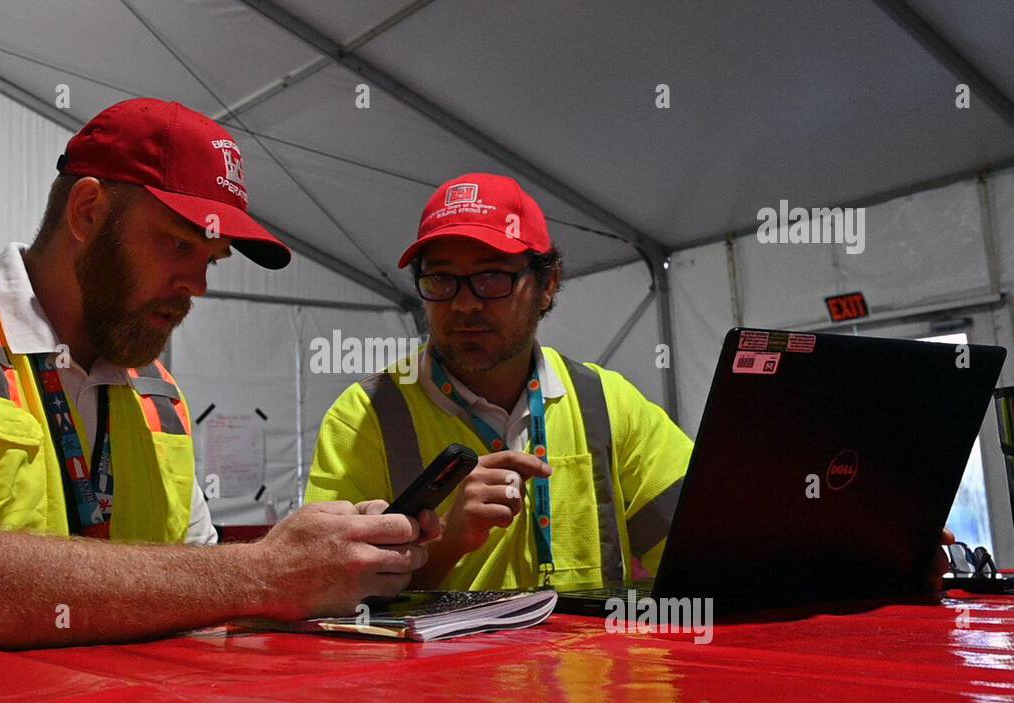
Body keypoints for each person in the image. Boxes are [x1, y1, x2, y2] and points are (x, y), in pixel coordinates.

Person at [0, 99, 434, 657]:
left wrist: (329, 562)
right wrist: (268, 571)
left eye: (211, 259)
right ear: (88, 212)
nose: (197, 285)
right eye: (178, 244)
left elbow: (203, 592)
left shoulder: (154, 395)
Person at [304, 173, 952, 592]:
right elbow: (320, 595)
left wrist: (868, 552)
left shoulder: (604, 404)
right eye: (441, 279)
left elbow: (712, 543)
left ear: (548, 283)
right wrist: (444, 541)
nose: (466, 303)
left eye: (493, 276)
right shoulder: (366, 415)